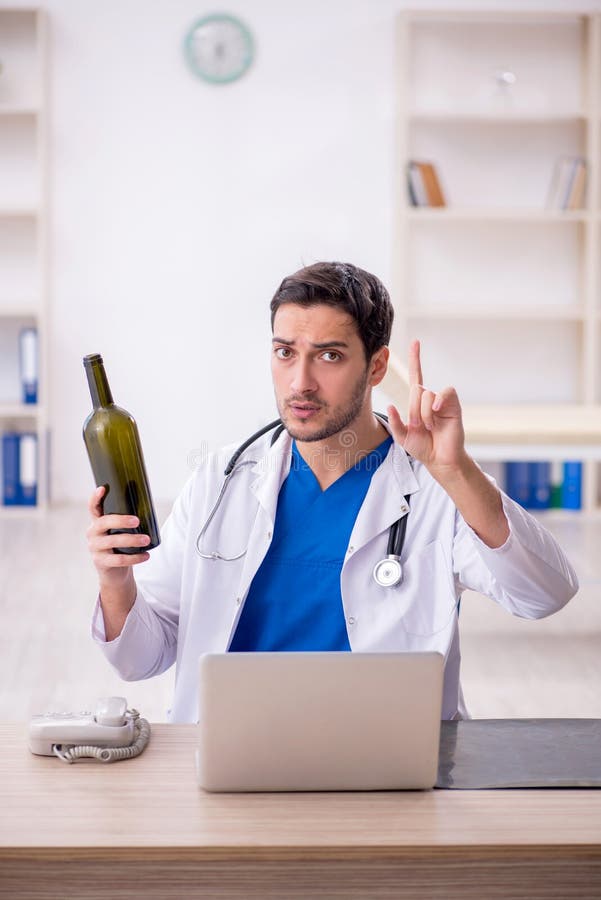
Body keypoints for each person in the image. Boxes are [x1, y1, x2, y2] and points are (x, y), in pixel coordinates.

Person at [87, 261, 578, 722]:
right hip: (235, 757)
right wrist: (116, 583)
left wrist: (457, 472)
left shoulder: (437, 487)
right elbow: (141, 658)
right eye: (285, 353)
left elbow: (543, 595)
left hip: (387, 764)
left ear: (377, 367)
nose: (301, 383)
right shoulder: (220, 481)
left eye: (329, 356)